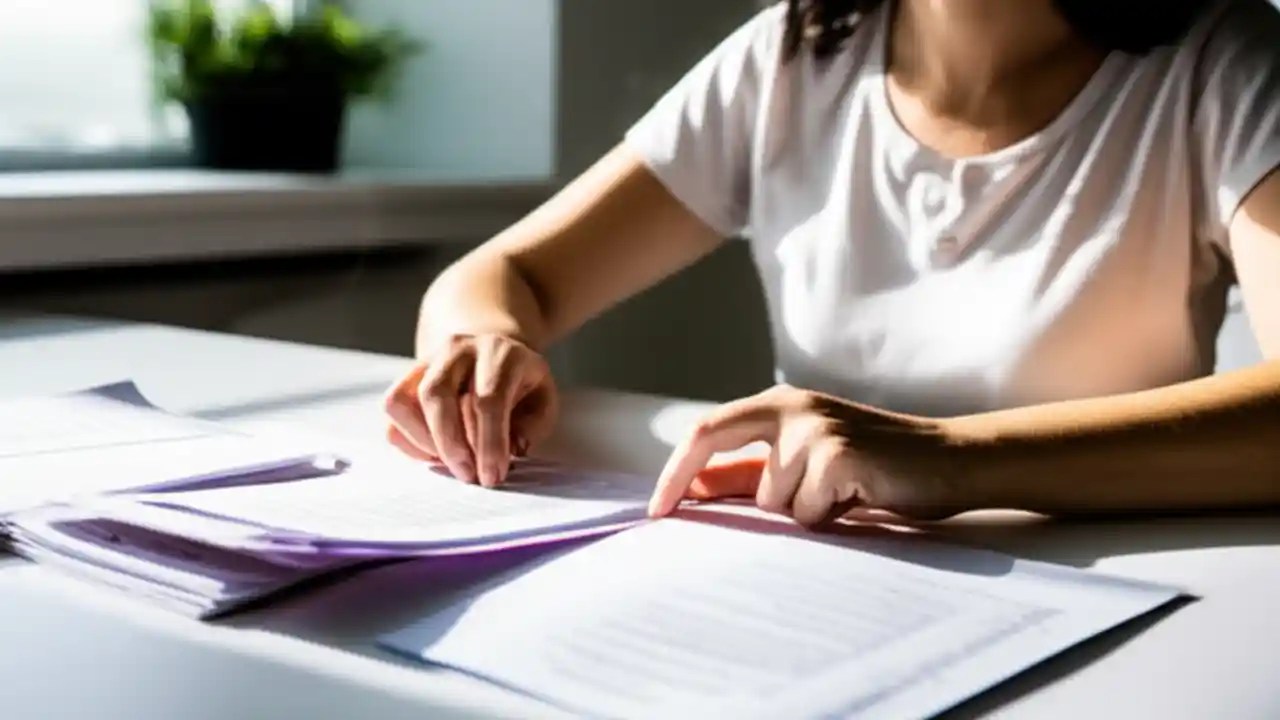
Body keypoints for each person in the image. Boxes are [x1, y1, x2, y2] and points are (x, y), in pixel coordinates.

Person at [384, 0, 1280, 527]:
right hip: (817, 593)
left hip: (1120, 609)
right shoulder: (791, 57)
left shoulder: (1223, 66)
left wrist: (951, 460)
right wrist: (482, 344)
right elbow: (509, 275)